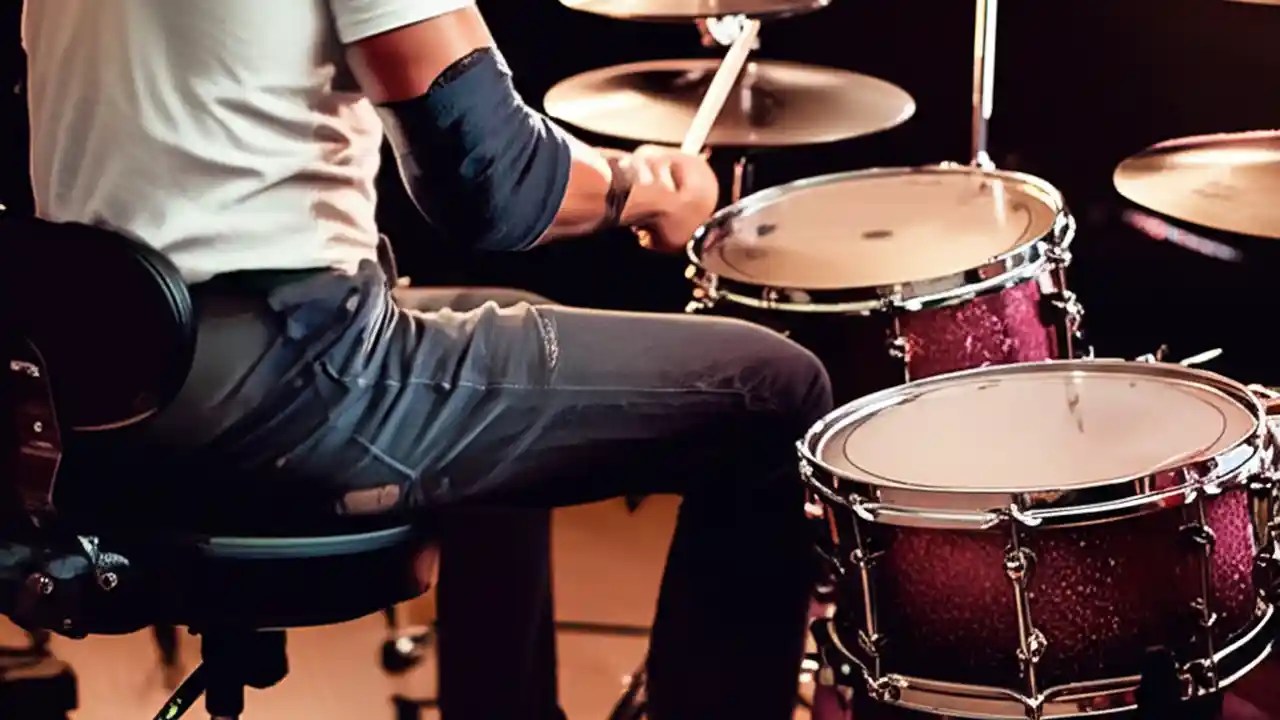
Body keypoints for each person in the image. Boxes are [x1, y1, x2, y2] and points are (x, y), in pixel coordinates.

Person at [20, 1, 834, 718]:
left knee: (515, 328)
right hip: (287, 385)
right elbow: (490, 181)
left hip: (91, 389)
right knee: (775, 391)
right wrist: (646, 188)